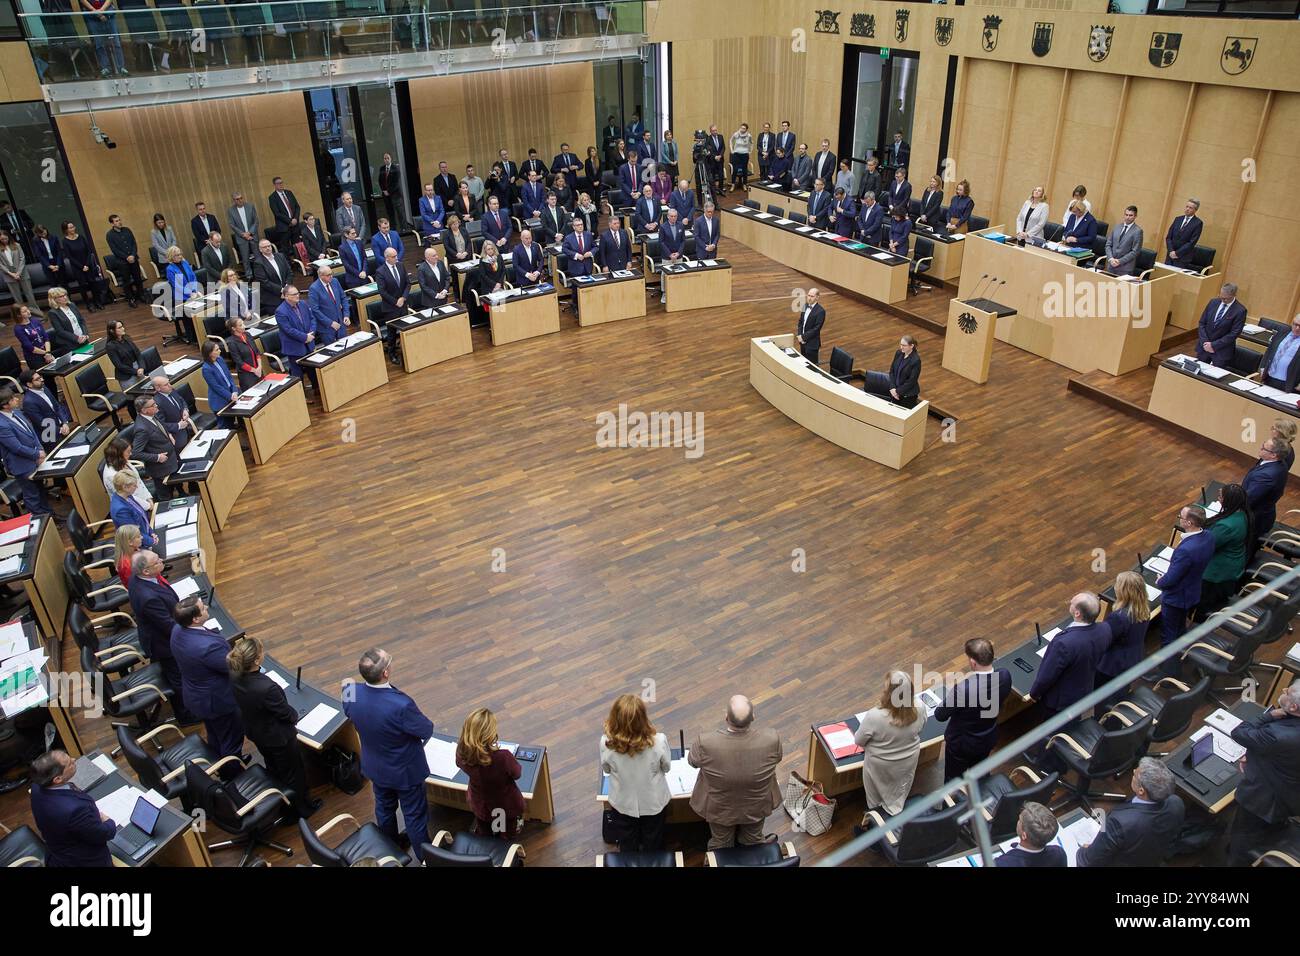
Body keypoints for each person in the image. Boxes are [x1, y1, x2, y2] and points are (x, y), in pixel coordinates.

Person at [343, 647, 434, 851]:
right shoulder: (401, 705)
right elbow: (426, 729)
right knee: (414, 817)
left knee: (384, 809)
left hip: (375, 767)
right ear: (386, 673)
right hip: (405, 773)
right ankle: (425, 857)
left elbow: (346, 691)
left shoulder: (351, 693)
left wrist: (348, 683)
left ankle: (391, 848)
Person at [228, 637, 321, 817]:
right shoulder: (267, 687)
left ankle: (281, 799)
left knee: (273, 766)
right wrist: (295, 715)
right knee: (293, 773)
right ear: (256, 660)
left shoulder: (233, 674)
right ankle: (299, 810)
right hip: (278, 738)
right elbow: (286, 713)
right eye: (261, 652)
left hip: (256, 731)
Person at [687, 694, 782, 850]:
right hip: (756, 805)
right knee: (752, 837)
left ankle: (721, 853)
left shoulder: (705, 742)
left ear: (726, 717)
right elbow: (777, 759)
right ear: (753, 716)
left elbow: (692, 762)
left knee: (721, 842)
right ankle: (752, 842)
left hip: (720, 808)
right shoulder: (772, 739)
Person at [1226, 683, 1300, 866]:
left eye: (1287, 692)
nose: (1283, 690)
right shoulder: (1285, 732)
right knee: (1267, 829)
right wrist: (1254, 754)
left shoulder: (1277, 735)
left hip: (1263, 801)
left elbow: (1239, 732)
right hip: (1291, 793)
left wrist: (1269, 715)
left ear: (1293, 707)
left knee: (1242, 840)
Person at [171, 596, 246, 763]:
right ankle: (232, 773)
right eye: (203, 608)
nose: (206, 607)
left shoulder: (177, 629)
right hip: (218, 701)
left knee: (215, 733)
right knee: (231, 740)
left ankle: (220, 762)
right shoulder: (207, 647)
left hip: (197, 696)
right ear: (196, 619)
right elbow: (232, 667)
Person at [127, 549, 197, 723]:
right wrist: (195, 627)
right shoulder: (148, 597)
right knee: (179, 678)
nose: (162, 561)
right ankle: (186, 716)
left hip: (155, 633)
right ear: (146, 571)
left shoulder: (139, 579)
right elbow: (168, 626)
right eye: (157, 561)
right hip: (164, 645)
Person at [1077, 758, 1185, 866]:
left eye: (1135, 774)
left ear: (1141, 791)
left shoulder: (1120, 822)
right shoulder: (1176, 802)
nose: (1133, 771)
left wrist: (1083, 851)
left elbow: (1089, 861)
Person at [600, 694, 672, 853]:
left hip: (622, 804)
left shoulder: (606, 743)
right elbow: (666, 767)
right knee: (653, 841)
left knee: (627, 845)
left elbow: (606, 770)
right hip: (653, 803)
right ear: (643, 717)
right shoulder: (658, 741)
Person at [851, 671, 925, 824]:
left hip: (880, 766)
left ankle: (876, 822)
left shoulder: (875, 716)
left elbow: (859, 740)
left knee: (875, 799)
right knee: (898, 792)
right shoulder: (920, 707)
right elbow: (921, 728)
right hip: (908, 761)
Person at [935, 638, 1012, 781]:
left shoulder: (964, 689)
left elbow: (940, 715)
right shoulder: (1005, 676)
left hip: (962, 745)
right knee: (980, 776)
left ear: (972, 662)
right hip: (987, 738)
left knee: (954, 781)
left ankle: (952, 804)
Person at [1027, 592, 1110, 721]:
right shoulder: (1105, 629)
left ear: (1077, 613)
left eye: (1072, 603)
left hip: (1060, 701)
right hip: (1084, 689)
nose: (1070, 601)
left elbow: (1047, 675)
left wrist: (1034, 693)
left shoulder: (1064, 643)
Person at [28, 750, 115, 867]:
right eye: (69, 763)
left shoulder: (36, 787)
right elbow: (101, 834)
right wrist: (108, 822)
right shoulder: (75, 810)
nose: (74, 760)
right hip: (85, 861)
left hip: (57, 850)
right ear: (57, 779)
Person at [1155, 506, 1215, 672]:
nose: (1179, 519)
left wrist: (1160, 581)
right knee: (1179, 628)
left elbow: (1172, 578)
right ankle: (1182, 653)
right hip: (1192, 591)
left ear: (1188, 522)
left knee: (1168, 636)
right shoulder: (1208, 536)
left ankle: (1167, 673)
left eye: (1180, 516)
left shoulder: (1186, 550)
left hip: (1176, 597)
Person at [454, 707, 525, 840]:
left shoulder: (461, 753)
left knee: (484, 832)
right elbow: (517, 774)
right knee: (505, 836)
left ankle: (486, 851)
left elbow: (459, 763)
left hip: (479, 803)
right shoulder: (503, 757)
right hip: (503, 806)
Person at [1093, 571, 1151, 714]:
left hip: (1112, 665)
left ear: (1124, 591)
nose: (1115, 587)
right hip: (1132, 658)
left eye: (1118, 585)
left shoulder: (1119, 617)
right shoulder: (1143, 609)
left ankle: (1103, 723)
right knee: (1120, 692)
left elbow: (1104, 639)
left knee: (1103, 699)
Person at [1199, 483, 1252, 616]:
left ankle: (1200, 620)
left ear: (1229, 501)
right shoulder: (1242, 514)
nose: (1218, 499)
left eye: (1221, 497)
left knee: (1204, 604)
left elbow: (1206, 545)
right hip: (1234, 564)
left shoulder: (1226, 526)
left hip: (1218, 572)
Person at [0, 387, 50, 516]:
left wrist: (40, 449)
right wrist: (37, 454)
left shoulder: (16, 412)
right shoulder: (1, 424)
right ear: (5, 405)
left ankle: (49, 515)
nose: (17, 399)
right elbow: (16, 447)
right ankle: (41, 522)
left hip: (35, 458)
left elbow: (32, 432)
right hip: (22, 465)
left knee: (41, 489)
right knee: (32, 495)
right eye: (12, 399)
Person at [996, 802, 1067, 867]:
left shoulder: (1001, 864)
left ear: (1024, 835)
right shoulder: (1058, 854)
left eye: (1020, 820)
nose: (1018, 821)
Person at [1243, 436, 1289, 537]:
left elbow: (1249, 499)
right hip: (1263, 511)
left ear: (1273, 455)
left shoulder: (1267, 476)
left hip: (1254, 520)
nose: (1260, 447)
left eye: (1264, 448)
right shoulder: (1279, 463)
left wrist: (1229, 502)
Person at [61, 221, 110, 312]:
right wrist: (81, 267)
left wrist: (87, 265)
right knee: (83, 286)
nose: (73, 229)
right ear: (66, 230)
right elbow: (69, 257)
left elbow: (88, 251)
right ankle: (89, 304)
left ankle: (97, 302)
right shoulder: (65, 241)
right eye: (70, 228)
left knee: (93, 284)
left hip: (88, 265)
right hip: (77, 268)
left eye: (73, 227)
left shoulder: (81, 237)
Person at [1195, 283, 1246, 368]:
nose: (1222, 300)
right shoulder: (1213, 302)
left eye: (1225, 298)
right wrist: (1205, 342)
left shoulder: (1240, 311)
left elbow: (1234, 333)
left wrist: (1213, 345)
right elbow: (1202, 323)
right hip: (1204, 347)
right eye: (1221, 296)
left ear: (1233, 295)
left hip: (1221, 351)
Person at [864, 335, 922, 408]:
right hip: (894, 391)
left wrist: (897, 392)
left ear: (911, 346)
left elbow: (911, 381)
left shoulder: (916, 360)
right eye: (901, 344)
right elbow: (892, 371)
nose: (901, 347)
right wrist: (892, 387)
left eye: (904, 345)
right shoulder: (899, 353)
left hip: (907, 395)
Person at [19, 368, 70, 450]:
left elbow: (57, 406)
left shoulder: (44, 388)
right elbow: (41, 422)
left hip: (62, 426)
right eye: (37, 379)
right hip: (50, 435)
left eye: (40, 377)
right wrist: (60, 430)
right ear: (29, 384)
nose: (42, 380)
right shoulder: (28, 402)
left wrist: (64, 422)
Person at [103, 215, 145, 308]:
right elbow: (114, 249)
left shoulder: (127, 230)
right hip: (122, 262)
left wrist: (133, 255)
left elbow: (134, 243)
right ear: (112, 223)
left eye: (119, 220)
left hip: (133, 258)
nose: (119, 222)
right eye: (116, 221)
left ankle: (141, 295)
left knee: (138, 278)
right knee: (126, 281)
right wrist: (127, 257)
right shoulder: (109, 235)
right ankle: (130, 299)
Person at [78, 0, 127, 77]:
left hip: (109, 14)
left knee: (116, 42)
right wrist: (95, 11)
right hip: (92, 16)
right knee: (99, 44)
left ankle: (121, 68)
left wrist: (101, 10)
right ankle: (105, 68)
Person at [276, 284, 316, 378]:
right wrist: (305, 337)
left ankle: (316, 389)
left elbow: (312, 319)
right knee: (297, 375)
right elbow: (288, 330)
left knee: (313, 370)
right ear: (286, 296)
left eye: (297, 293)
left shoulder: (303, 303)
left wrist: (311, 333)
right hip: (294, 347)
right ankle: (300, 391)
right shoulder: (280, 311)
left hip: (309, 343)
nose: (297, 295)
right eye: (294, 294)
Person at [110, 470, 158, 548]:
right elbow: (133, 534)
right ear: (125, 487)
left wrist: (151, 532)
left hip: (145, 534)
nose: (137, 487)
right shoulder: (120, 510)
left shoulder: (127, 496)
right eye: (134, 485)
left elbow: (142, 517)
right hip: (138, 545)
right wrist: (152, 541)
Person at [102, 436, 152, 510]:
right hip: (131, 508)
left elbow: (138, 481)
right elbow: (128, 497)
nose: (131, 454)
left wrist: (148, 498)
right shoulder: (111, 476)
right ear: (119, 455)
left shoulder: (122, 461)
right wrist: (148, 506)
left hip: (143, 500)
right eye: (128, 452)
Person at [307, 264, 349, 346]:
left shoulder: (335, 281)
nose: (331, 276)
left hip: (341, 323)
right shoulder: (314, 288)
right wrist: (330, 323)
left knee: (345, 349)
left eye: (331, 274)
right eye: (328, 275)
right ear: (321, 276)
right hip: (327, 328)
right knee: (333, 353)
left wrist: (346, 315)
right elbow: (315, 310)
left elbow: (343, 298)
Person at [151, 374, 194, 452]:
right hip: (176, 437)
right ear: (158, 388)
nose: (170, 386)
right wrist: (178, 425)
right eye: (166, 385)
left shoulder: (172, 391)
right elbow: (160, 425)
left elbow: (181, 400)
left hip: (187, 430)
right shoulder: (157, 403)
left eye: (169, 383)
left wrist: (185, 409)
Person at [1259, 317, 1300, 392]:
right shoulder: (1282, 332)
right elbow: (1269, 351)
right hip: (1269, 377)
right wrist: (1262, 367)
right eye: (1295, 325)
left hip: (1290, 383)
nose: (1297, 328)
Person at [469, 241, 505, 327]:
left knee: (501, 309)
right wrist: (494, 285)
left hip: (499, 286)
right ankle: (492, 327)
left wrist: (499, 283)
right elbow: (483, 276)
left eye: (492, 248)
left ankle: (502, 326)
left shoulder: (499, 257)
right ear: (485, 250)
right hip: (488, 287)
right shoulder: (483, 260)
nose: (490, 251)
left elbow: (503, 271)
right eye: (488, 249)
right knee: (492, 310)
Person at [47, 287, 90, 356]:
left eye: (65, 295)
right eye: (61, 296)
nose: (65, 297)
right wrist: (77, 338)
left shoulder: (72, 305)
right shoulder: (53, 313)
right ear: (54, 299)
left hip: (83, 340)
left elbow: (81, 321)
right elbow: (60, 331)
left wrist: (85, 334)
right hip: (69, 344)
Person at [1102, 205, 1143, 276]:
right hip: (1111, 265)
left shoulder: (1138, 231)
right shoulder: (1117, 227)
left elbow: (1135, 251)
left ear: (1135, 216)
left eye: (1130, 215)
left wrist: (1120, 261)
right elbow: (1108, 245)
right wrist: (1111, 258)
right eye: (1126, 215)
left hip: (1125, 268)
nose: (1128, 217)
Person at [227, 192, 260, 277]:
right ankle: (249, 275)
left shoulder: (250, 206)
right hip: (241, 238)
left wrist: (249, 233)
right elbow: (232, 225)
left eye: (241, 198)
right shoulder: (231, 210)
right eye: (237, 199)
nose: (240, 200)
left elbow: (256, 221)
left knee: (257, 256)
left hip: (252, 235)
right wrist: (243, 234)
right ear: (234, 200)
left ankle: (260, 273)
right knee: (245, 259)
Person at [225, 317, 262, 391]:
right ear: (234, 328)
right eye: (241, 325)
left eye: (243, 324)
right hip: (247, 375)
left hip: (258, 369)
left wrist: (259, 367)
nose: (244, 326)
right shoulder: (231, 342)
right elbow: (239, 362)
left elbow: (257, 352)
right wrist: (254, 370)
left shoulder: (247, 334)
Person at [164, 245, 200, 319]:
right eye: (177, 255)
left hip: (193, 293)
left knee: (198, 316)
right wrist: (190, 293)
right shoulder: (170, 269)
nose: (180, 256)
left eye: (180, 254)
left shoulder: (185, 263)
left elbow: (193, 277)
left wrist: (194, 290)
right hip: (182, 298)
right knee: (189, 320)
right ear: (171, 256)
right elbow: (177, 286)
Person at [1164, 198, 1203, 265]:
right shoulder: (1178, 219)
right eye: (1187, 206)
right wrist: (1171, 251)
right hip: (1170, 256)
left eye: (1190, 208)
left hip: (1182, 258)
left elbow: (1191, 242)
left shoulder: (1198, 223)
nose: (1187, 209)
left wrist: (1177, 253)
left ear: (1195, 210)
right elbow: (1169, 237)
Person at [267, 177, 300, 252]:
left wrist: (295, 219)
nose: (281, 184)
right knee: (286, 249)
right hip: (284, 227)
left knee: (297, 247)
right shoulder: (272, 198)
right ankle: (288, 263)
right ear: (274, 185)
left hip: (295, 225)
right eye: (278, 183)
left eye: (281, 182)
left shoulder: (289, 193)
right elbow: (277, 213)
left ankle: (299, 262)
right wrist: (290, 221)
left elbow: (297, 207)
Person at [795, 287, 824, 364]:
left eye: (812, 296)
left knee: (812, 367)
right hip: (802, 343)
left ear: (817, 297)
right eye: (808, 295)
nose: (809, 298)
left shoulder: (821, 311)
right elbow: (801, 322)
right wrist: (800, 335)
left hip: (812, 344)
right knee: (804, 364)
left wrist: (803, 337)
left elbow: (816, 329)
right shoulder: (805, 306)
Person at [375, 152, 404, 229]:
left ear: (391, 159)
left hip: (396, 194)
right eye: (385, 158)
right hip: (386, 195)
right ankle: (393, 228)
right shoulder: (382, 168)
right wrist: (384, 190)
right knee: (390, 212)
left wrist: (389, 191)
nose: (386, 160)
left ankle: (403, 228)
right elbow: (380, 181)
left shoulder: (395, 168)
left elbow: (396, 182)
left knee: (399, 212)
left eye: (388, 158)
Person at [729, 122, 752, 191]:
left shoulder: (749, 136)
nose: (742, 129)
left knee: (744, 170)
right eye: (741, 128)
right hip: (736, 155)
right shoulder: (736, 134)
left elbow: (752, 143)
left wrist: (750, 151)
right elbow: (730, 140)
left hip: (745, 155)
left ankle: (744, 184)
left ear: (746, 129)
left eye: (744, 128)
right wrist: (732, 150)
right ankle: (733, 185)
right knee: (735, 170)